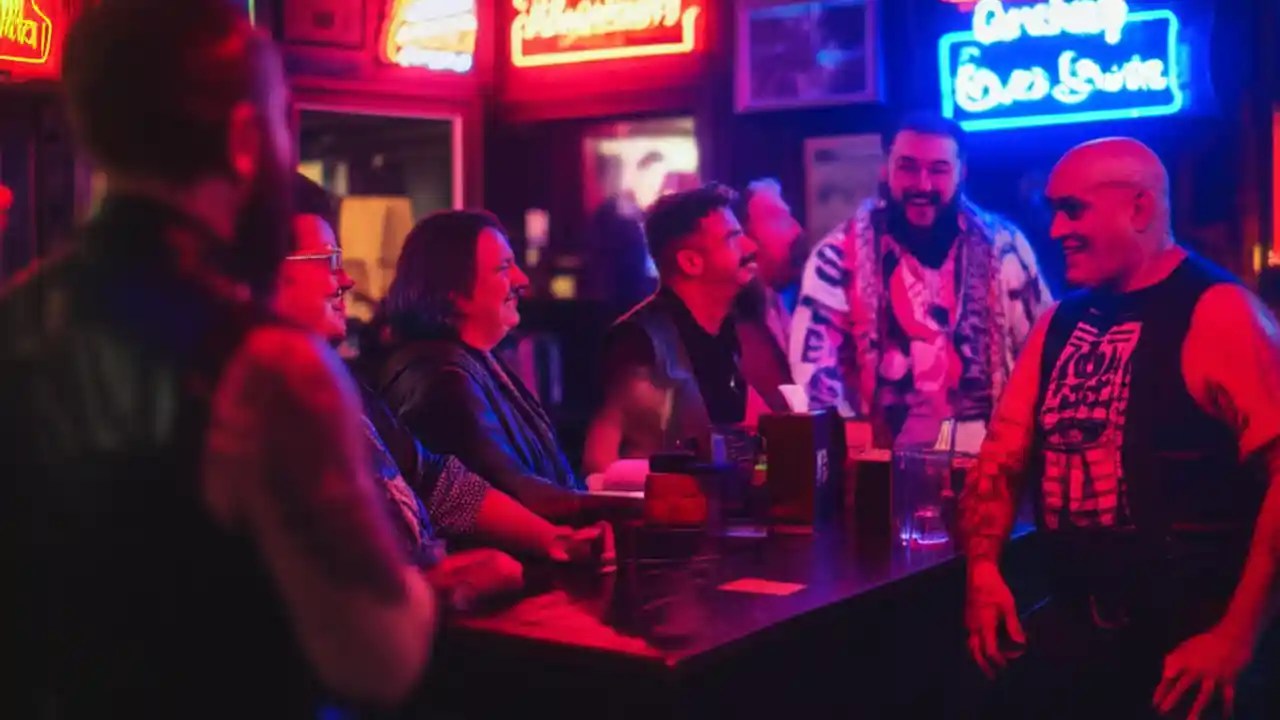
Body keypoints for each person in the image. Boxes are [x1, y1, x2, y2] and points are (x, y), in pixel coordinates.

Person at [0, 3, 435, 716]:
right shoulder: (265, 365)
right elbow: (378, 656)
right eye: (278, 129)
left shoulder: (13, 317)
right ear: (243, 140)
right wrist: (430, 587)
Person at [958, 138, 1280, 719]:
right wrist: (983, 571)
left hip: (1189, 657)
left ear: (1138, 209)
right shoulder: (1060, 319)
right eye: (1053, 211)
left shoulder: (1221, 311)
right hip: (1082, 639)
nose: (1055, 230)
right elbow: (1003, 453)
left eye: (1073, 210)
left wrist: (1236, 637)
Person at [285, 176, 614, 586]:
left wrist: (553, 540)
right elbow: (316, 581)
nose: (347, 280)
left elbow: (439, 483)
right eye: (328, 260)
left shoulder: (339, 381)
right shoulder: (437, 377)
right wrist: (435, 585)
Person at [791, 112, 1051, 448]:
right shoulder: (838, 257)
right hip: (880, 476)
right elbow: (814, 382)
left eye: (938, 170)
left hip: (992, 472)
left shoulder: (1006, 249)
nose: (922, 185)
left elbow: (1040, 357)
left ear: (962, 172)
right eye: (908, 167)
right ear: (886, 168)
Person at [378, 210, 587, 522]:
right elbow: (513, 495)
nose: (522, 280)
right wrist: (632, 506)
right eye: (504, 269)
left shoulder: (468, 361)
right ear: (454, 293)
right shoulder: (443, 381)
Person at [584, 183, 766, 474]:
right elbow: (599, 464)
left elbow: (761, 434)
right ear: (691, 262)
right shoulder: (638, 341)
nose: (751, 247)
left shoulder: (723, 333)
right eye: (733, 239)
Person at [733, 177, 805, 411]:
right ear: (743, 235)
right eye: (779, 218)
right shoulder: (734, 323)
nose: (796, 230)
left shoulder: (776, 303)